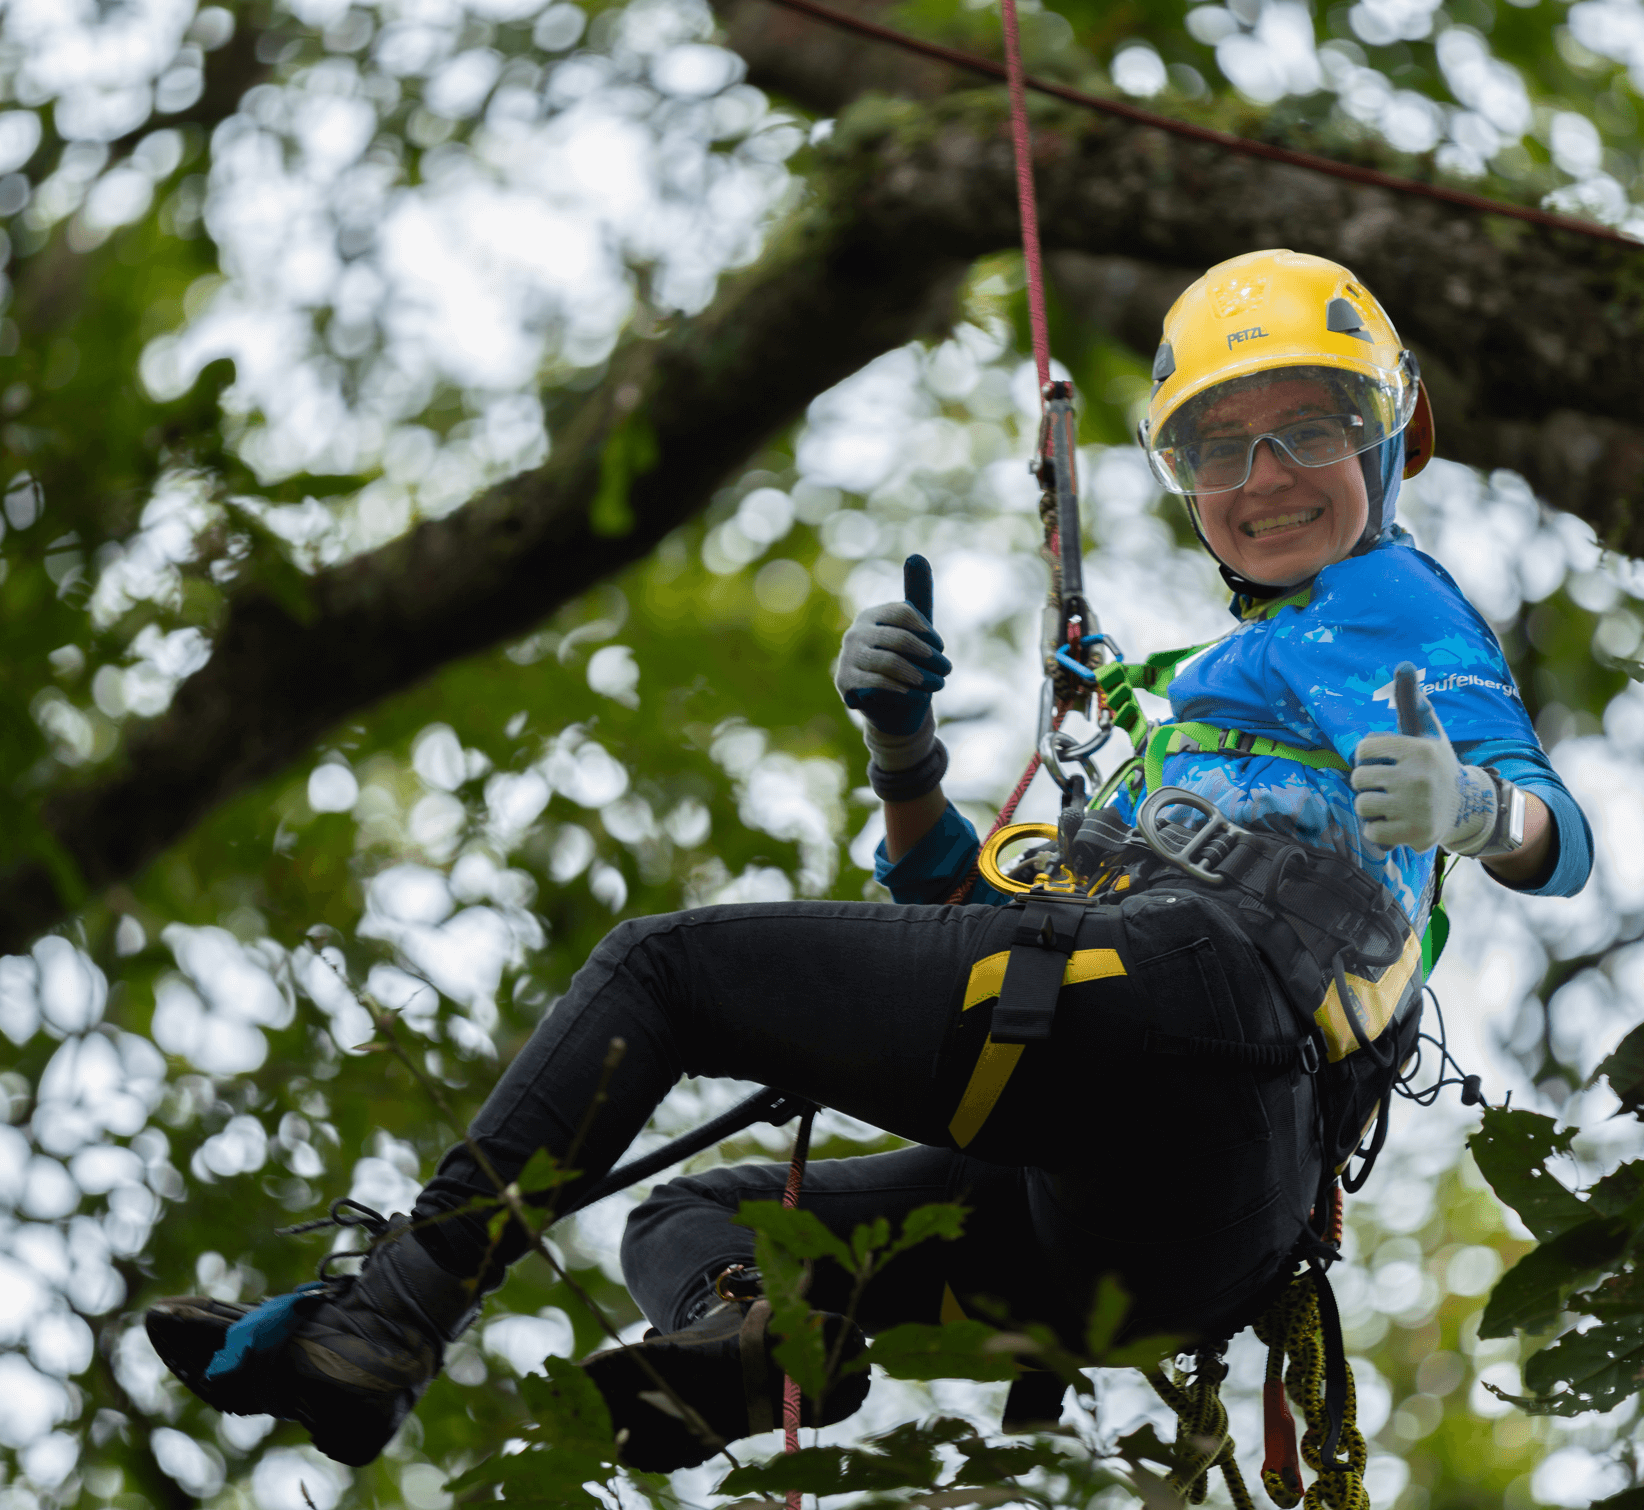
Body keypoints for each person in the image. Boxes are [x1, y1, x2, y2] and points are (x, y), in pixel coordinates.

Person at [142, 249, 1593, 1472]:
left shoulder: (1389, 601)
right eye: (1223, 445)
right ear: (1189, 479)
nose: (1267, 475)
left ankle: (391, 1309)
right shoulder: (1198, 716)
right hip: (1136, 1226)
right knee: (700, 1218)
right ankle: (761, 1330)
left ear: (1388, 442)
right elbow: (981, 941)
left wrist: (1476, 809)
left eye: (1312, 431)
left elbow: (1554, 828)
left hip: (1215, 1039)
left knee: (670, 970)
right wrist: (905, 751)